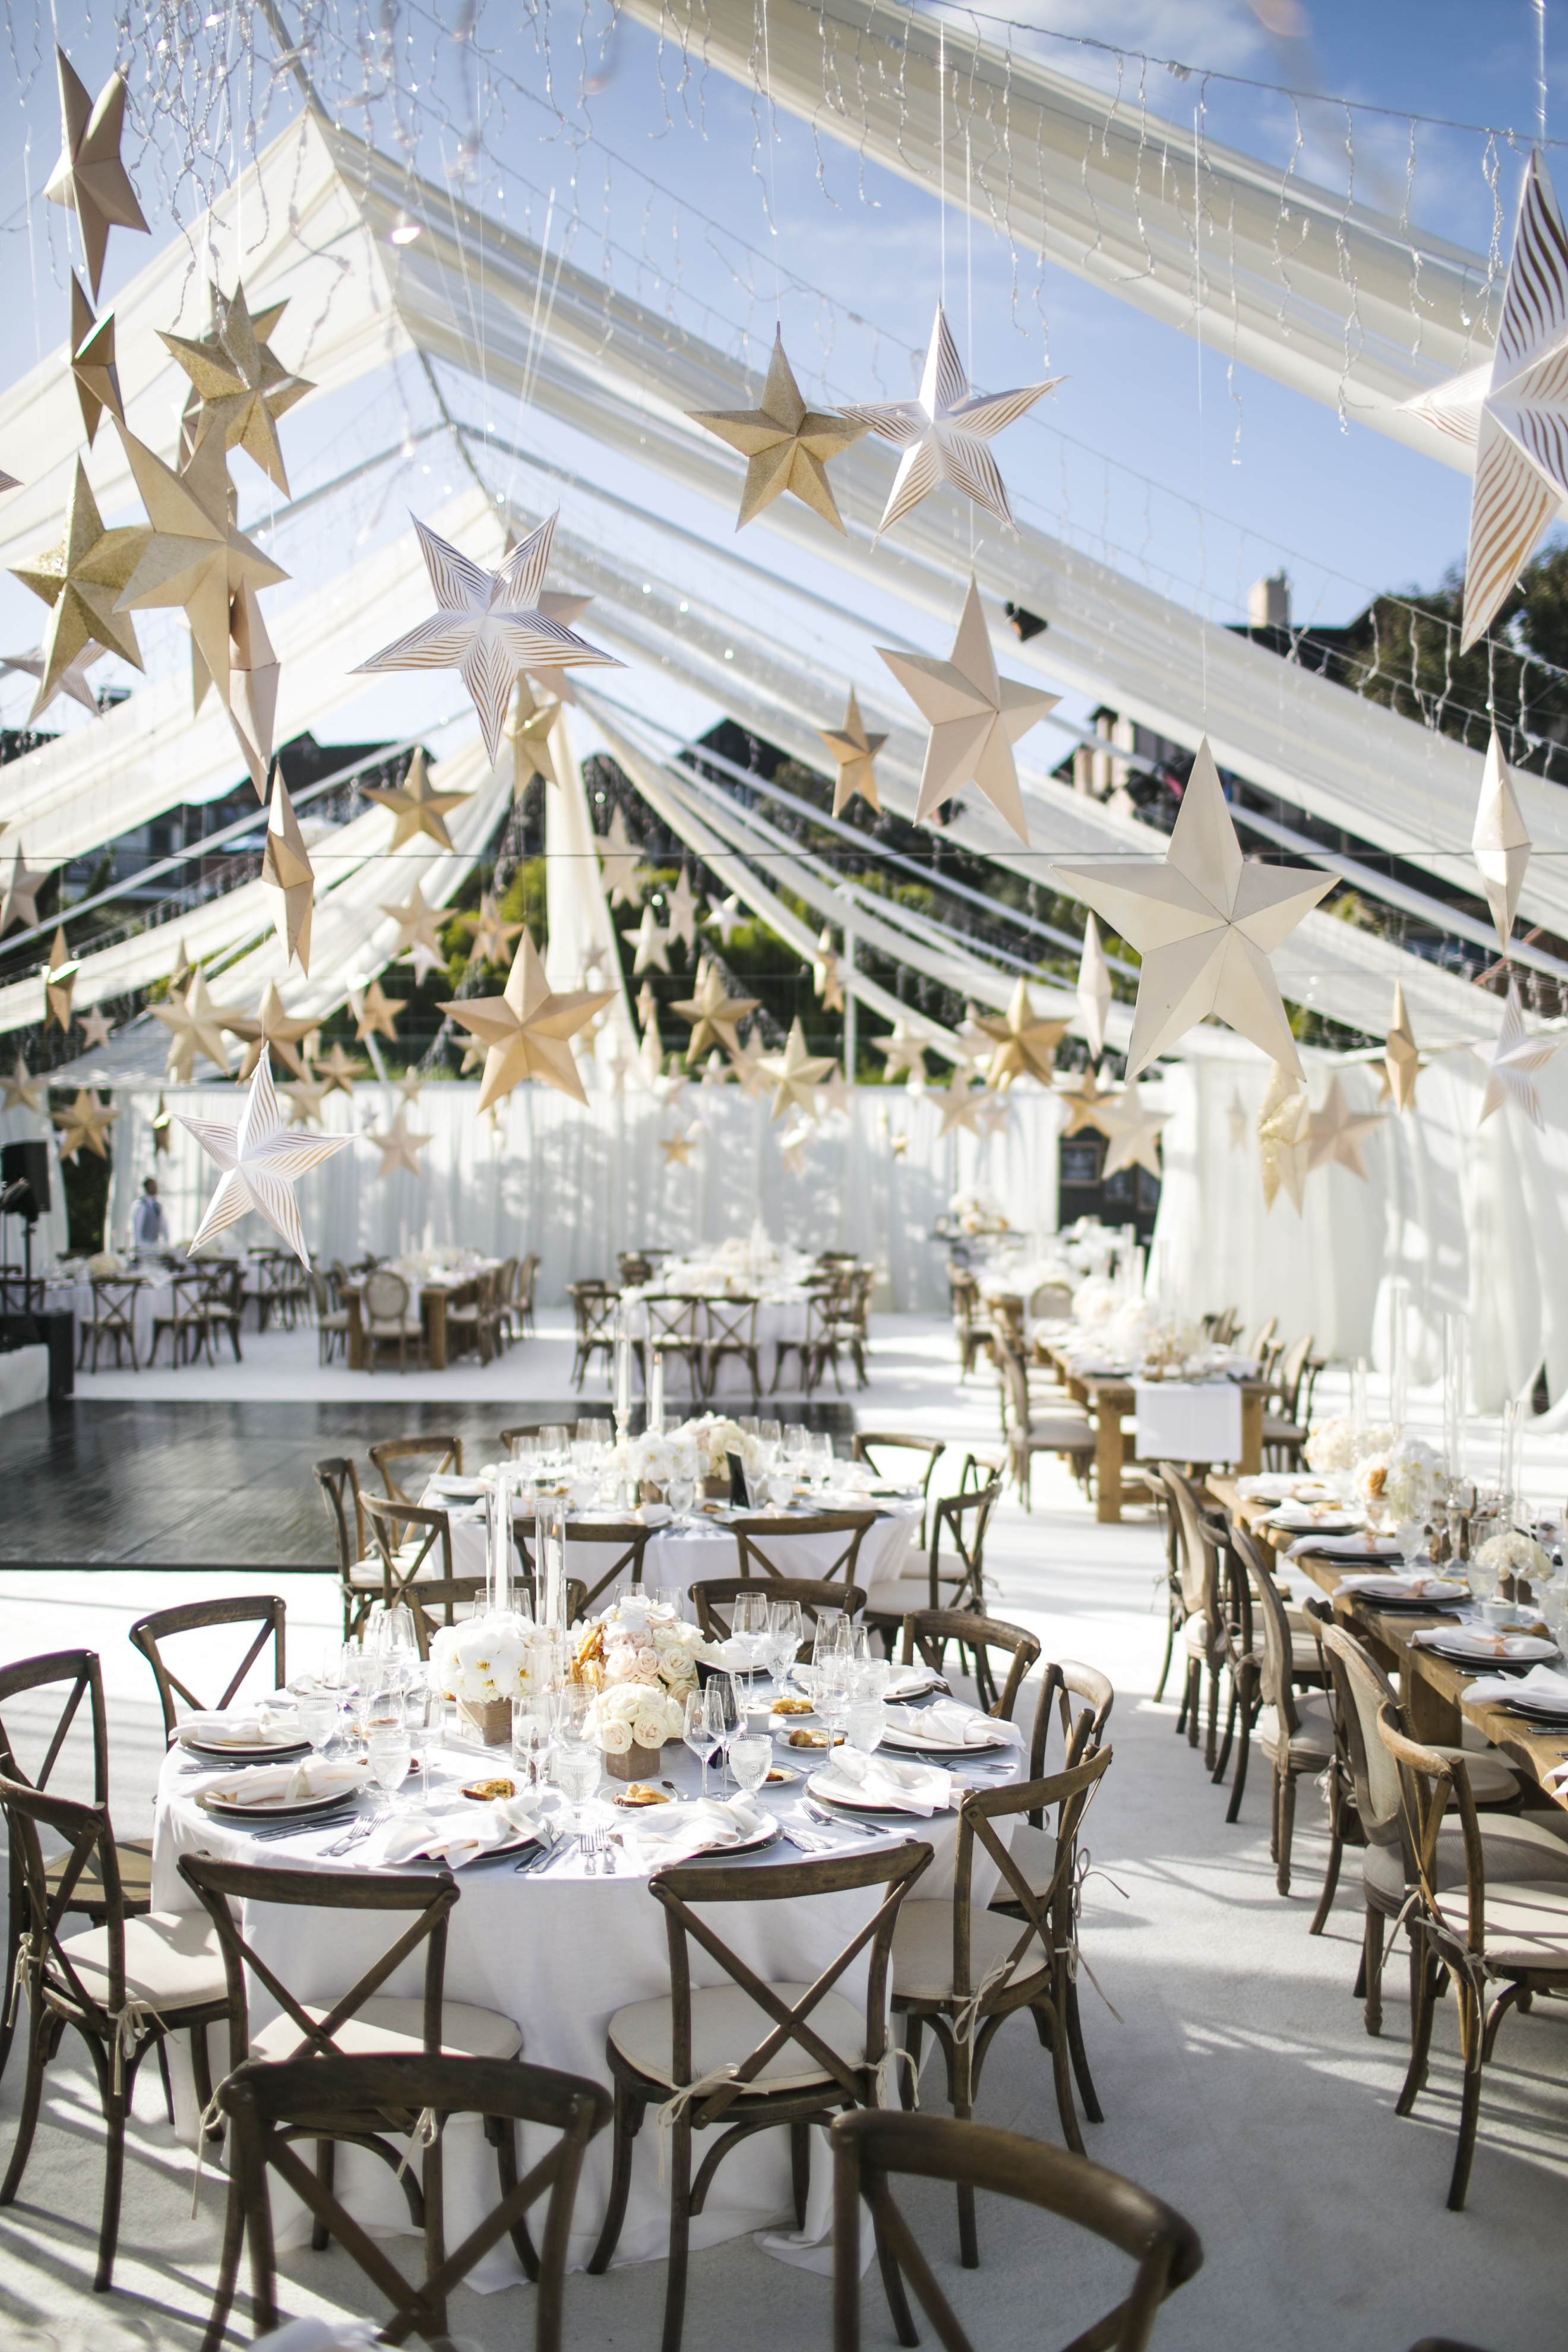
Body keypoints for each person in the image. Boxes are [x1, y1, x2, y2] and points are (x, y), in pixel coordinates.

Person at [132, 1176, 168, 1254]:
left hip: (156, 1245)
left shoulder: (158, 1205)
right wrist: (139, 1246)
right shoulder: (141, 1205)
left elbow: (163, 1225)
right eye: (152, 1186)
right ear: (146, 1188)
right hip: (144, 1246)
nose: (155, 1188)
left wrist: (166, 1243)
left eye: (155, 1185)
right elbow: (138, 1227)